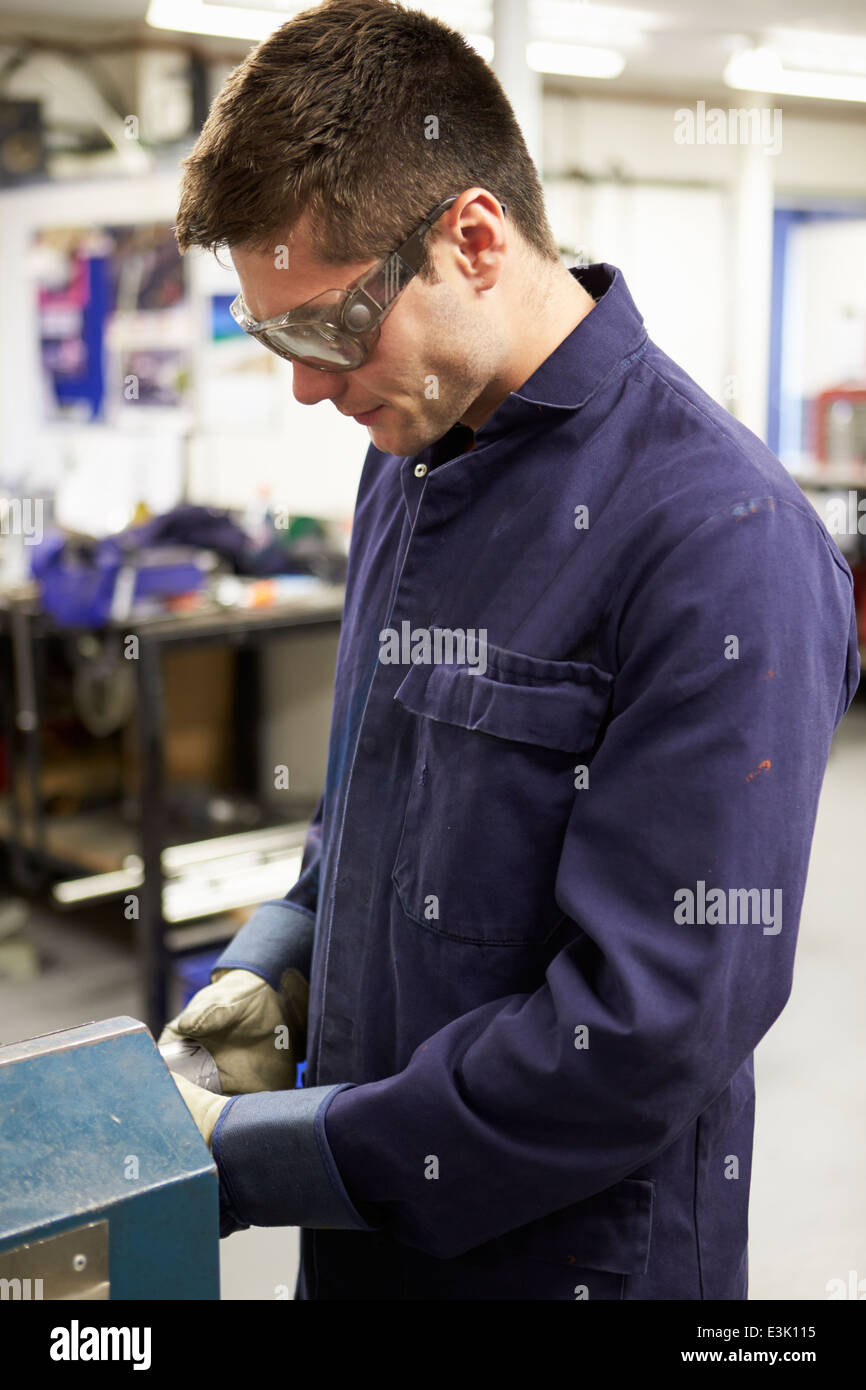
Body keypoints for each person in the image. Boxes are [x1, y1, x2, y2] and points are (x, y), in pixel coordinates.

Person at [162, 0, 859, 1300]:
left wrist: (261, 1159)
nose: (307, 385)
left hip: (569, 1262)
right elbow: (371, 817)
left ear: (471, 239)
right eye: (276, 338)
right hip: (365, 1234)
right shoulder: (409, 458)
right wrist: (274, 964)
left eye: (325, 328)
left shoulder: (720, 540)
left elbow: (642, 1029)